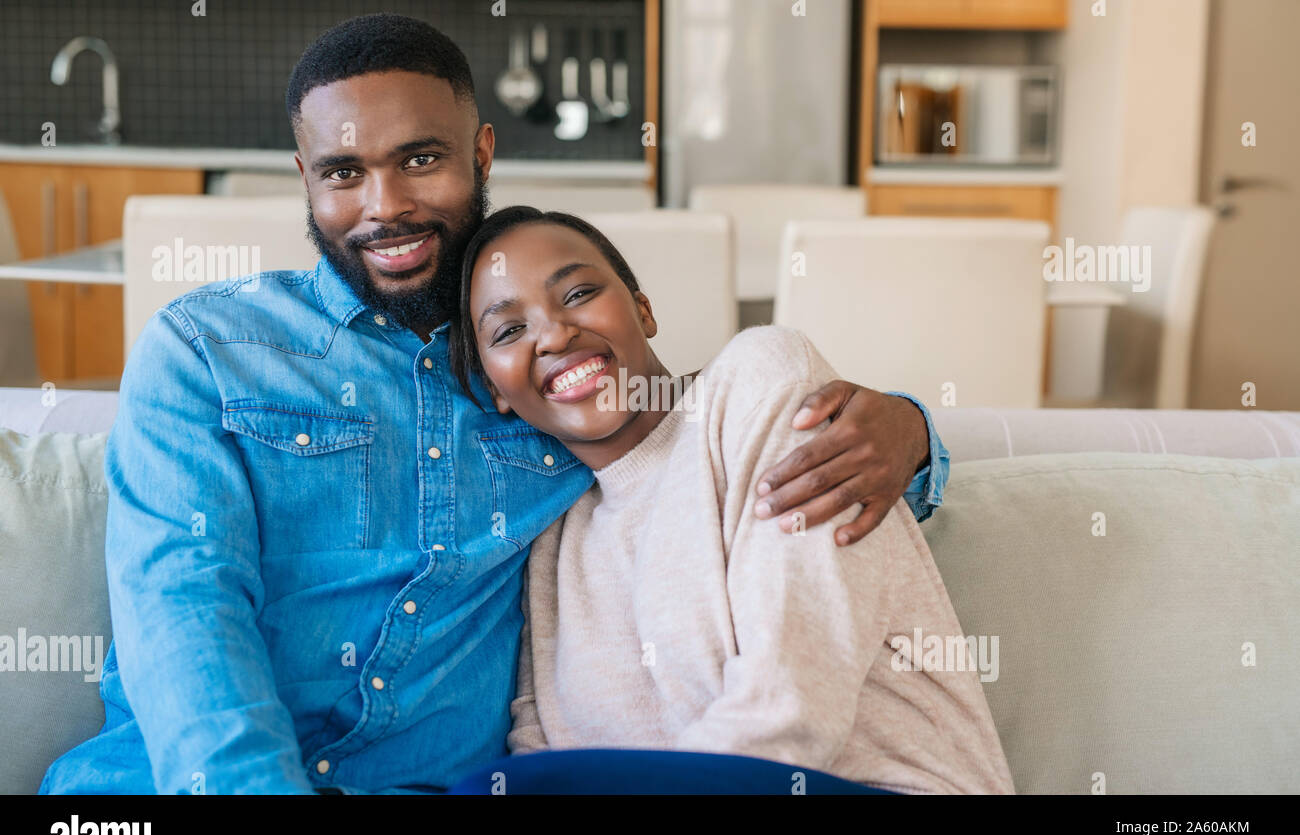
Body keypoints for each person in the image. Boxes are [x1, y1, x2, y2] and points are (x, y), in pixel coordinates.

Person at [40, 14, 950, 795]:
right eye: (343, 172)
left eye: (420, 159)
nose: (383, 205)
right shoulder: (205, 352)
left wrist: (908, 433)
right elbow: (185, 613)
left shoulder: (540, 394)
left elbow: (701, 442)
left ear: (481, 153)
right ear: (306, 178)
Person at [446, 207, 1013, 795]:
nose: (555, 334)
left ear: (643, 309)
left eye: (580, 292)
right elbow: (542, 741)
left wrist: (915, 427)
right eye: (509, 331)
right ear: (494, 388)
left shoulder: (758, 381)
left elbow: (789, 712)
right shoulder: (552, 535)